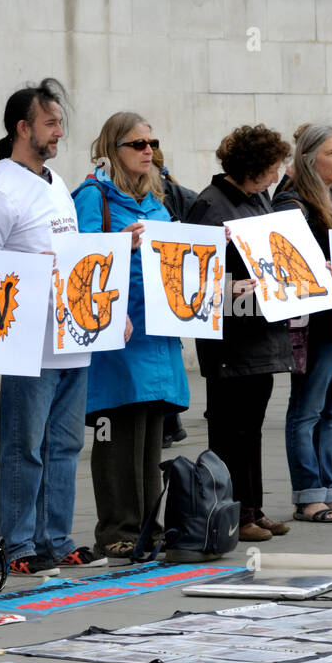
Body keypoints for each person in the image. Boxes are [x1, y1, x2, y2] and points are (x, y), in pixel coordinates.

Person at [0, 79, 108, 576]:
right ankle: (18, 543)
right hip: (29, 343)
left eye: (60, 122)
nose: (59, 132)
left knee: (66, 445)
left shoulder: (55, 183)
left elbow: (75, 254)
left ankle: (56, 537)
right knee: (23, 447)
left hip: (73, 336)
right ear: (22, 127)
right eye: (50, 122)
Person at [73, 113, 188, 563]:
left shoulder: (156, 198)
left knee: (149, 438)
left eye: (152, 142)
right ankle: (117, 530)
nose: (148, 150)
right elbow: (80, 259)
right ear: (112, 148)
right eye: (137, 143)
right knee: (116, 435)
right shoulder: (93, 197)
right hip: (116, 335)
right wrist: (121, 243)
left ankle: (148, 528)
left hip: (157, 336)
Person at [185, 125, 293, 542]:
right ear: (254, 168)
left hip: (261, 330)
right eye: (272, 166)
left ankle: (254, 507)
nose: (276, 173)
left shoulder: (257, 199)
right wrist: (232, 286)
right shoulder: (211, 205)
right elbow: (195, 272)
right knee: (231, 429)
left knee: (252, 426)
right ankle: (234, 513)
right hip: (230, 337)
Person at [272, 124, 332, 522]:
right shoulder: (291, 203)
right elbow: (287, 260)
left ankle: (328, 489)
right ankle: (308, 494)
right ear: (309, 159)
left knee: (331, 411)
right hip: (317, 322)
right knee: (307, 409)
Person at [153, 143, 195, 448]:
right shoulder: (166, 195)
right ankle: (170, 425)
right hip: (165, 292)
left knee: (165, 357)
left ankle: (168, 425)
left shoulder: (166, 196)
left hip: (166, 290)